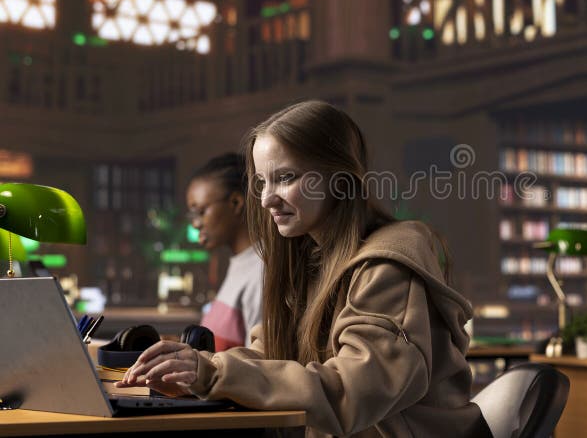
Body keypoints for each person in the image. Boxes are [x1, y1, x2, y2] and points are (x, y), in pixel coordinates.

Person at [119, 100, 490, 437]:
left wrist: (214, 374)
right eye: (262, 182)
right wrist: (196, 369)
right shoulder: (307, 260)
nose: (266, 199)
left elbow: (353, 393)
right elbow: (270, 355)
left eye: (285, 178)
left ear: (339, 178)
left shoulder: (387, 266)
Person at [187, 152, 263, 351]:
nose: (195, 224)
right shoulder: (241, 264)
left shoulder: (262, 271)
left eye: (201, 211)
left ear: (236, 203)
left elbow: (259, 364)